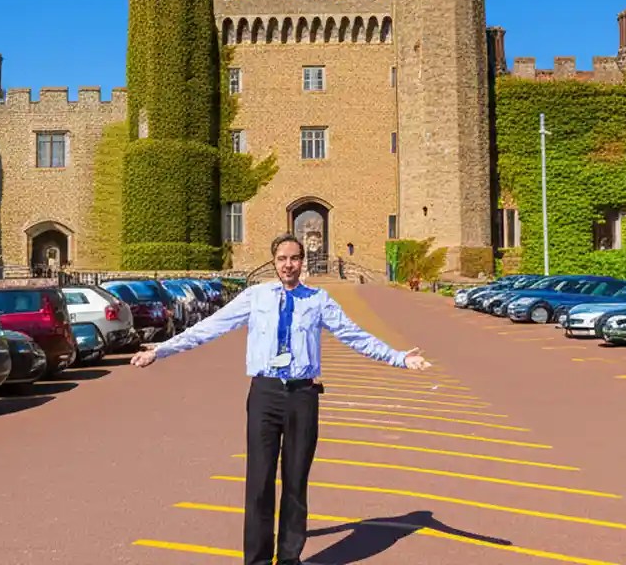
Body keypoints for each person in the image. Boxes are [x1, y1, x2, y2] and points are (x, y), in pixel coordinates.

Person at [131, 233, 431, 565]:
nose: (289, 265)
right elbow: (210, 327)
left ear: (303, 262)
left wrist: (399, 357)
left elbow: (353, 335)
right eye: (282, 259)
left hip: (302, 395)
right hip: (265, 394)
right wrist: (161, 349)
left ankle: (289, 558)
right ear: (274, 262)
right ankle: (257, 560)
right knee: (259, 482)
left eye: (295, 258)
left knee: (295, 482)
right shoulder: (255, 297)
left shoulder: (318, 300)